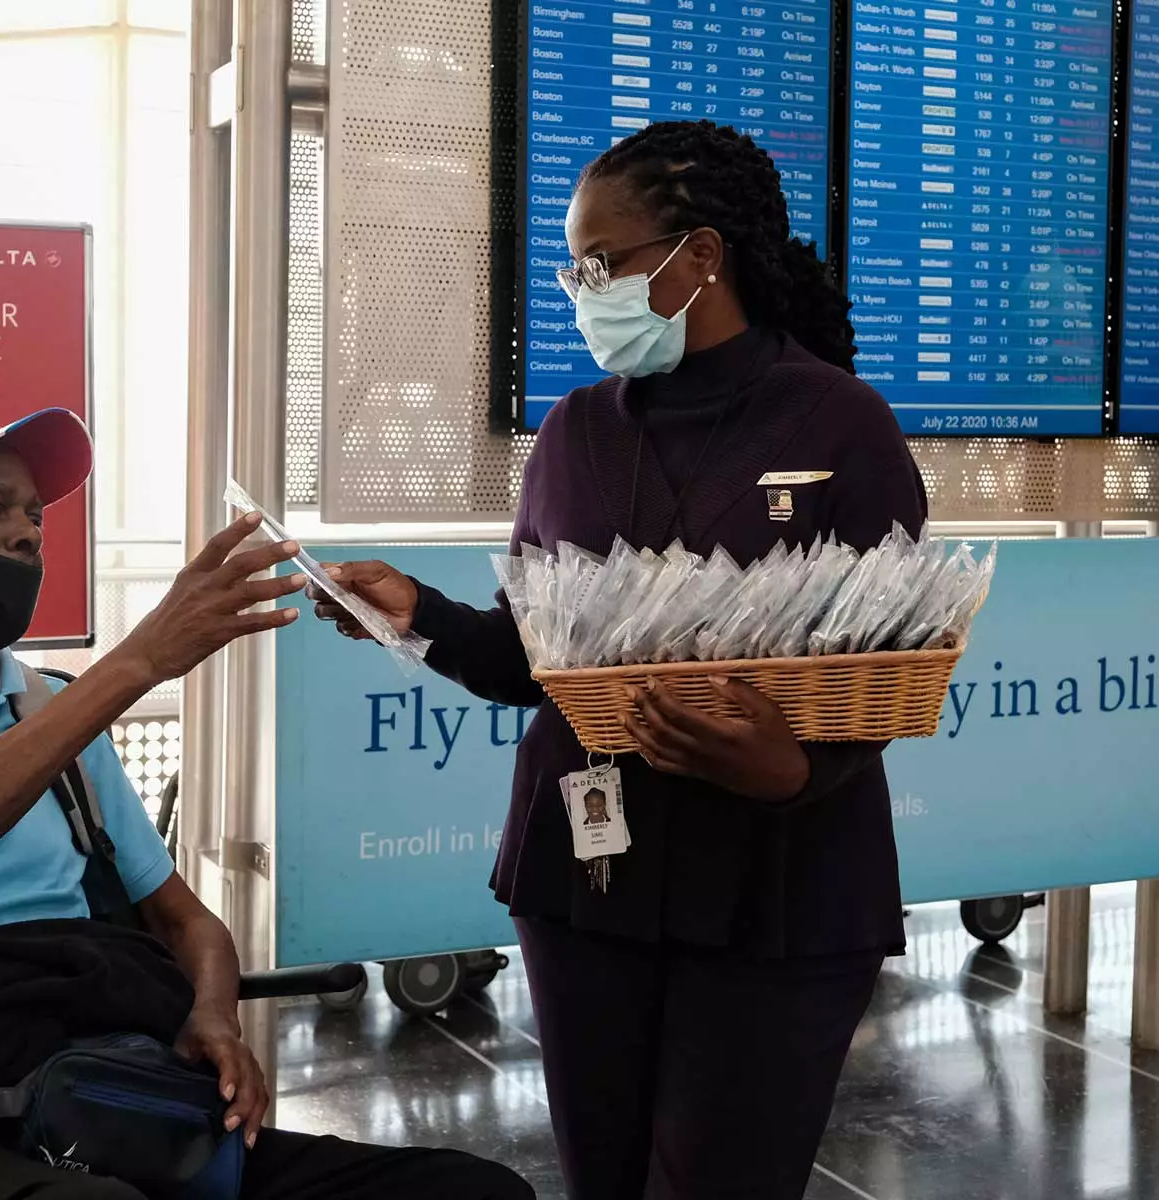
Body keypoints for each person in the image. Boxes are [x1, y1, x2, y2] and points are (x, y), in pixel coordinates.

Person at [311, 120, 928, 1200]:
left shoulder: (841, 422)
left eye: (602, 263)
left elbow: (886, 663)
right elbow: (535, 659)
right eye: (572, 267)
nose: (581, 289)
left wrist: (792, 769)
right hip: (586, 882)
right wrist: (421, 616)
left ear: (701, 257)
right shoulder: (576, 432)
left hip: (776, 893)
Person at [0, 406, 534, 1200]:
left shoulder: (54, 716)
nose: (26, 533)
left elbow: (185, 922)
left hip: (97, 1094)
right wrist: (136, 662)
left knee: (478, 1188)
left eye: (35, 515)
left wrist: (214, 1016)